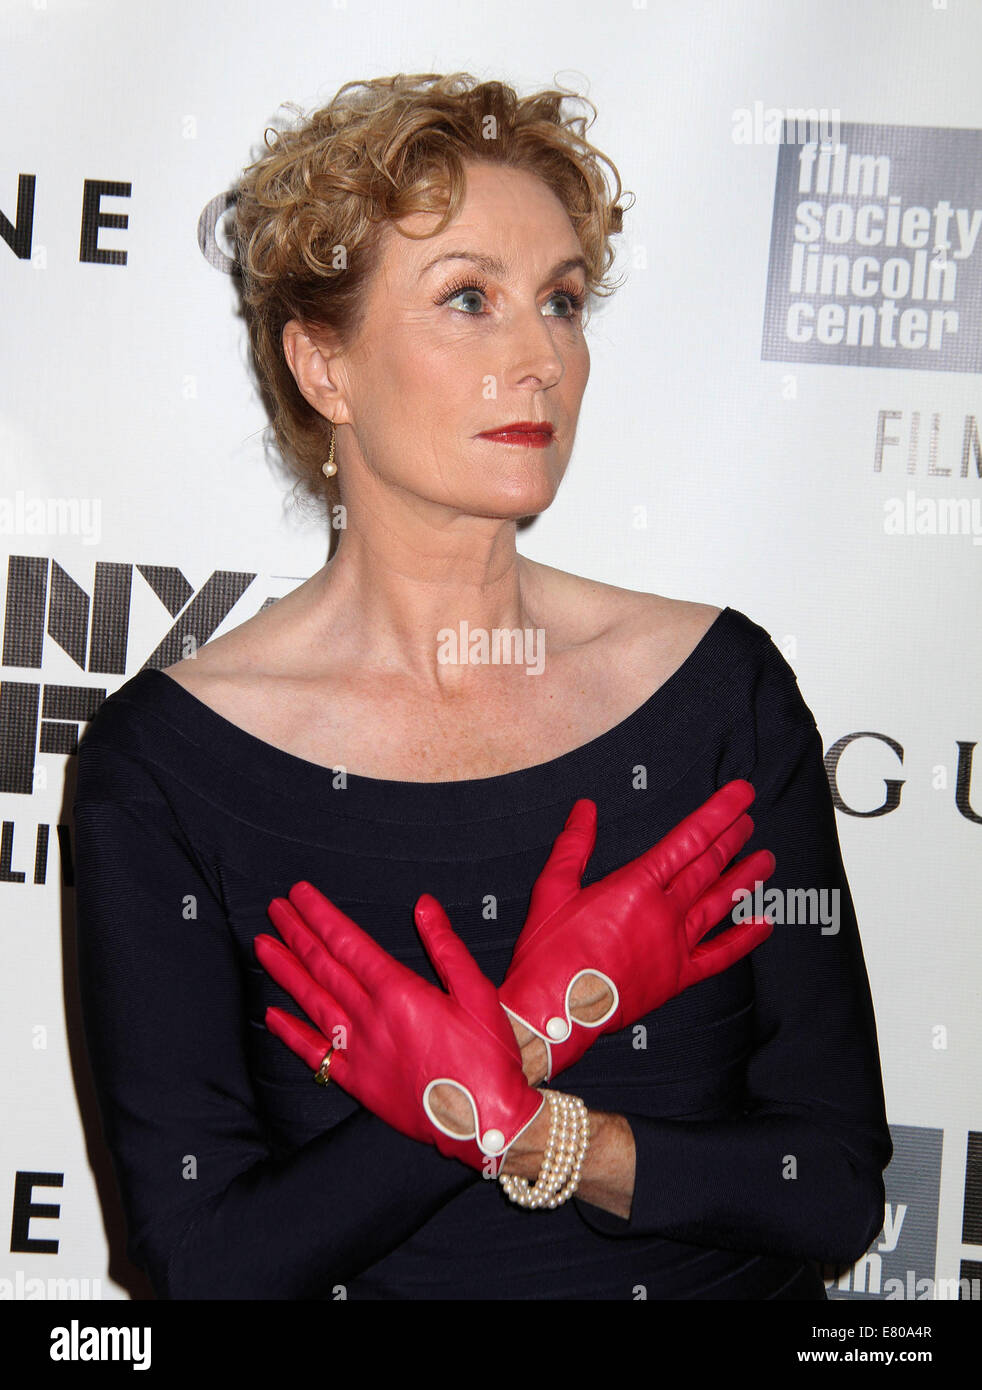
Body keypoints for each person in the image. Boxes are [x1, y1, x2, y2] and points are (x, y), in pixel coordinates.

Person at [72, 72, 892, 1300]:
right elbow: (206, 1268)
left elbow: (829, 1187)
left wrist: (531, 1122)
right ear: (323, 366)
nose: (540, 360)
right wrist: (545, 1021)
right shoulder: (166, 767)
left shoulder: (721, 692)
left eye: (561, 303)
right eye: (469, 298)